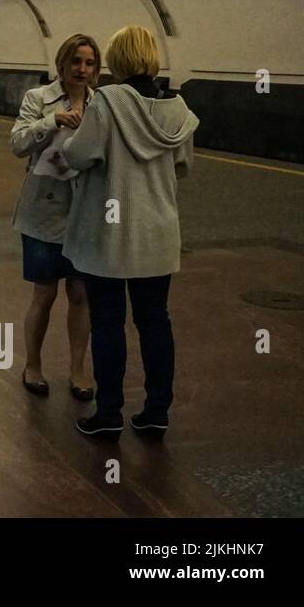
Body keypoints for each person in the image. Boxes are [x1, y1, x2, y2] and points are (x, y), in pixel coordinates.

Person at [60, 25, 198, 441]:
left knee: (108, 322)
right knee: (155, 321)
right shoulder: (178, 108)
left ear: (117, 60)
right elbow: (183, 165)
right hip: (157, 232)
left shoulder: (107, 102)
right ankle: (156, 411)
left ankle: (109, 414)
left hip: (110, 233)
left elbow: (79, 154)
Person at [10, 34, 100, 401]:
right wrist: (51, 122)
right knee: (44, 294)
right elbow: (16, 144)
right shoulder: (38, 99)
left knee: (81, 294)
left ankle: (78, 369)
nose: (82, 69)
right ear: (62, 64)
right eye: (76, 61)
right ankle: (33, 364)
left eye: (90, 63)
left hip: (84, 211)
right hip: (43, 212)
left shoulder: (101, 104)